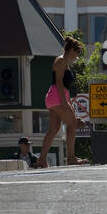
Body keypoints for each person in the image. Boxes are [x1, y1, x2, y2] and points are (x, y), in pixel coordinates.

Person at [36, 38, 88, 168]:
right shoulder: (61, 61)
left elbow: (64, 87)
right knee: (72, 125)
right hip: (57, 97)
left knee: (53, 129)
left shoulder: (64, 62)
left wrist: (68, 103)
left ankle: (41, 160)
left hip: (56, 98)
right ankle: (71, 158)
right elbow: (59, 82)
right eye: (77, 52)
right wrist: (65, 103)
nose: (77, 55)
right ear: (71, 50)